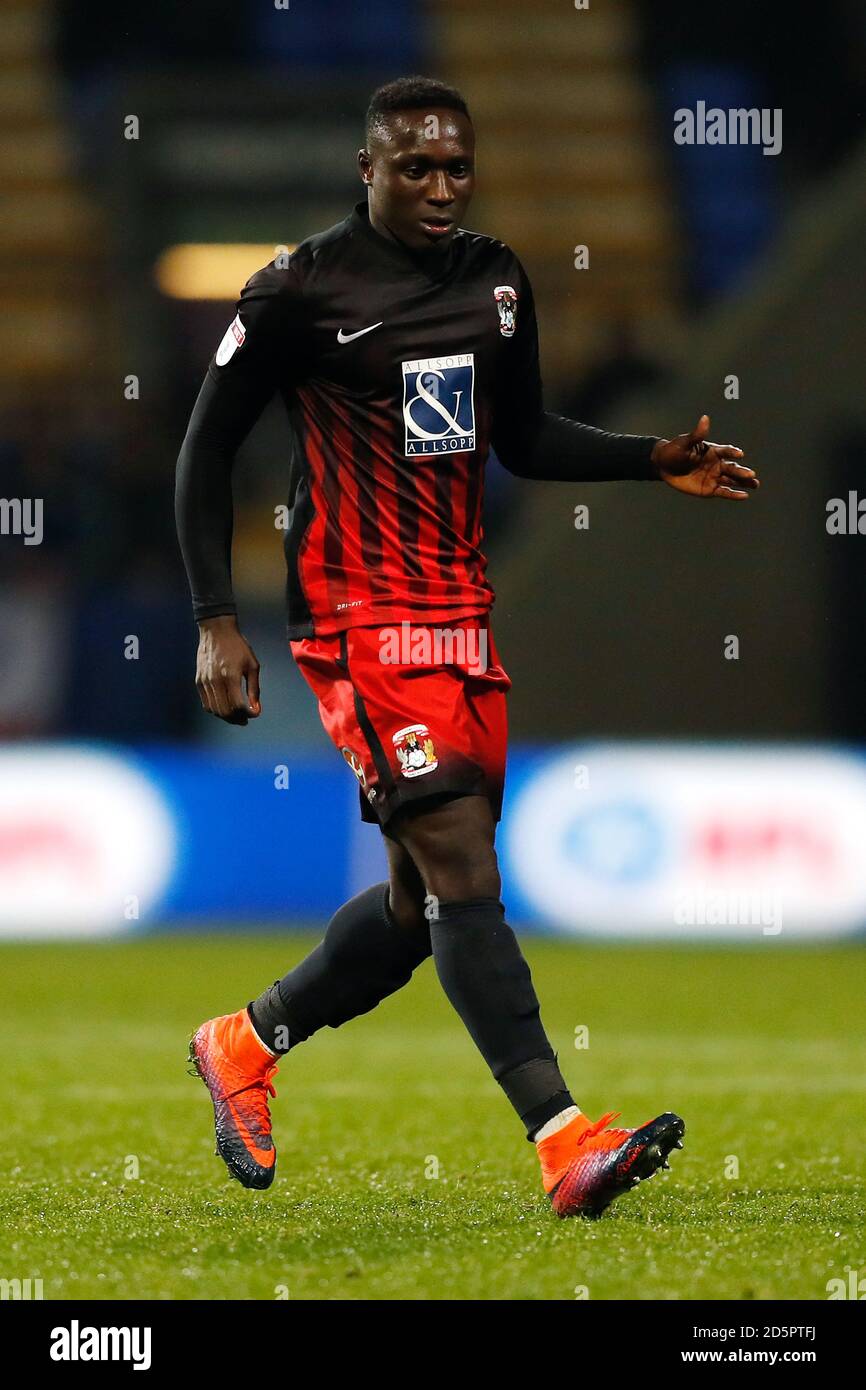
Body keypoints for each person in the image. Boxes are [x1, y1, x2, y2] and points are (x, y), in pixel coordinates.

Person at [175, 75, 758, 1218]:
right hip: (356, 618)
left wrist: (649, 457)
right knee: (462, 869)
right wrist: (213, 619)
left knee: (411, 908)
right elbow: (204, 450)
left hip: (458, 613)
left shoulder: (495, 280)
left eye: (455, 169)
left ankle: (242, 1042)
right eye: (414, 168)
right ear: (366, 169)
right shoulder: (297, 291)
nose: (440, 188)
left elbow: (523, 435)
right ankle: (562, 1139)